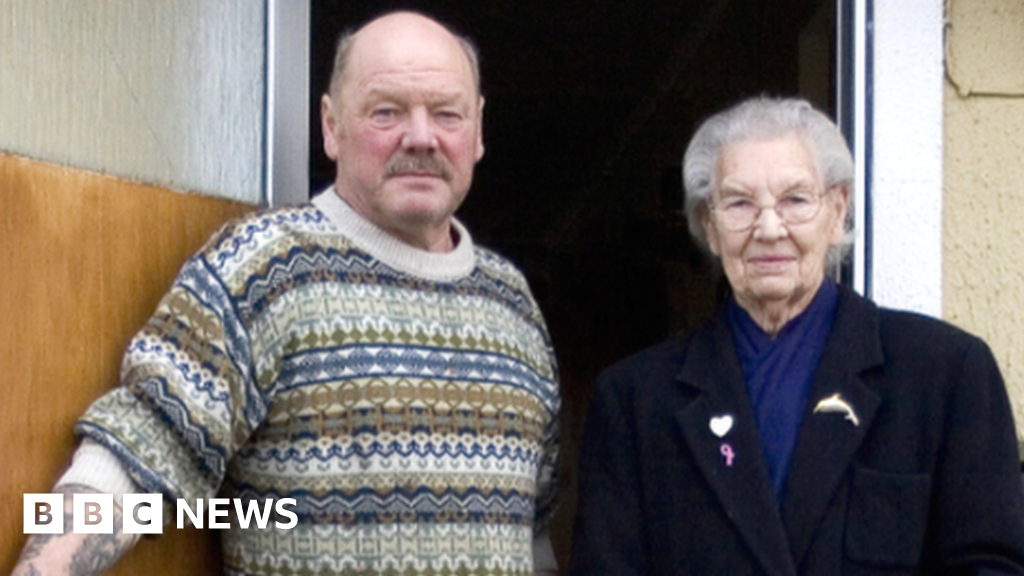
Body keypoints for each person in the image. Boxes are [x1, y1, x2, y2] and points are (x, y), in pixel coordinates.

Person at [12, 12, 560, 576]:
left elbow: (532, 534)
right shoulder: (266, 266)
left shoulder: (513, 304)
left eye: (446, 113)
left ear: (478, 130)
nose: (420, 137)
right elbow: (137, 462)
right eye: (386, 111)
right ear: (330, 125)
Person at [569, 96, 1024, 575]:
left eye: (795, 200)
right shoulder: (636, 400)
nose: (769, 228)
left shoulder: (943, 374)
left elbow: (992, 565)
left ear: (837, 209)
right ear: (709, 224)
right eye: (739, 203)